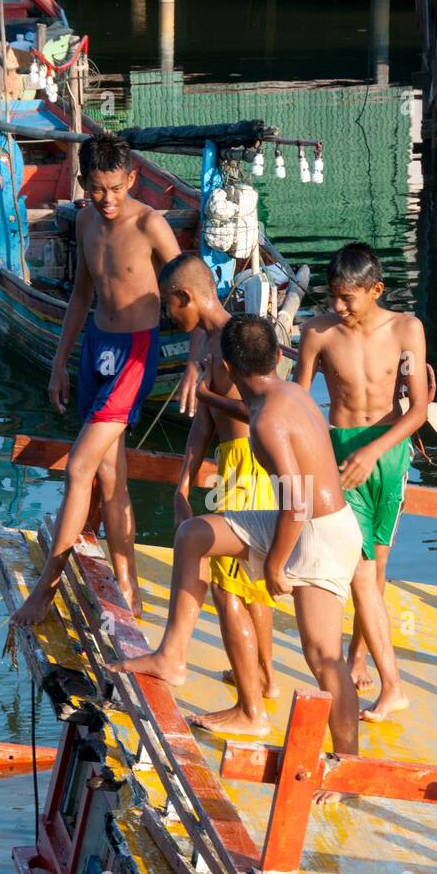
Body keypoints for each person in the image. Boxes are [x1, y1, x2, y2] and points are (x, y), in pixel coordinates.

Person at [115, 316, 363, 755]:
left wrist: (274, 564)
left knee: (324, 658)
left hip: (318, 533)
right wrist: (209, 398)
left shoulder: (268, 421)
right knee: (194, 535)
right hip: (306, 517)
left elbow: (298, 502)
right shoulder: (288, 393)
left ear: (227, 366)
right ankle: (172, 655)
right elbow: (251, 413)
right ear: (274, 357)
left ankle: (347, 760)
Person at [11, 134, 181, 629]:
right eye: (96, 189)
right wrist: (60, 360)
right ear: (84, 182)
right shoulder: (85, 220)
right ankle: (126, 582)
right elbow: (83, 293)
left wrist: (198, 357)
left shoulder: (151, 225)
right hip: (94, 349)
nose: (106, 200)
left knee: (78, 469)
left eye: (114, 188)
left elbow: (191, 289)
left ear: (131, 180)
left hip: (135, 355)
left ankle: (46, 589)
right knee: (111, 475)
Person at [295, 243, 429, 721]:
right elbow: (301, 401)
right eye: (333, 297)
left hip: (389, 454)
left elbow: (417, 409)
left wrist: (374, 451)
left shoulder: (406, 329)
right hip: (342, 453)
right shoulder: (317, 332)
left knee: (377, 567)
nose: (339, 307)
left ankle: (357, 656)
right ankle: (393, 685)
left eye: (348, 299)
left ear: (376, 290)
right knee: (358, 570)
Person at [163, 253, 279, 737]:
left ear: (188, 297)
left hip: (251, 467)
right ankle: (265, 680)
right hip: (235, 467)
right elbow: (203, 428)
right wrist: (184, 481)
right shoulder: (210, 342)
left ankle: (250, 709)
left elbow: (260, 407)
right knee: (248, 585)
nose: (170, 319)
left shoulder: (238, 341)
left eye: (171, 308)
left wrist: (205, 392)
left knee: (228, 586)